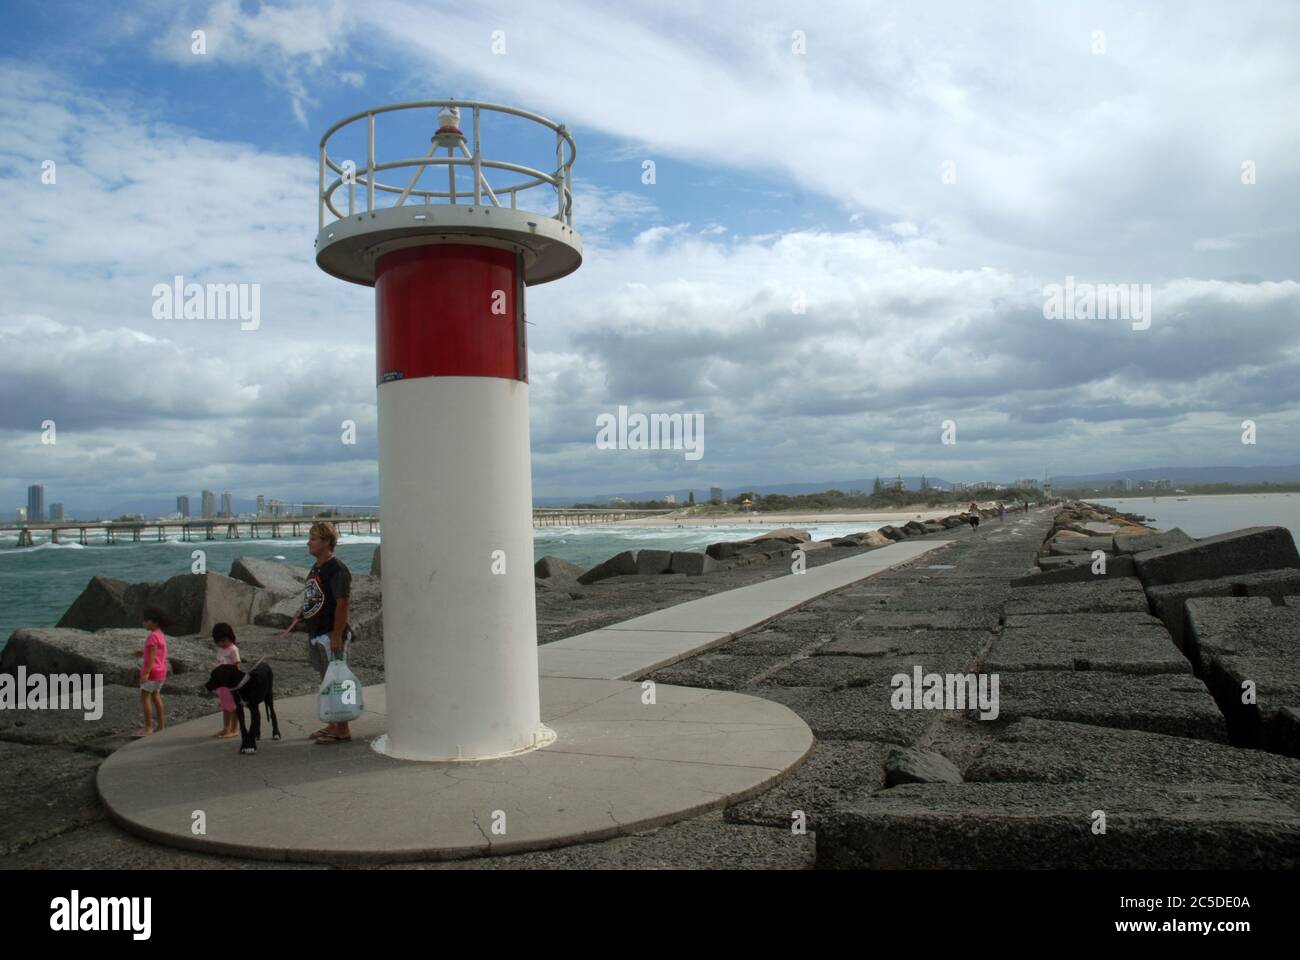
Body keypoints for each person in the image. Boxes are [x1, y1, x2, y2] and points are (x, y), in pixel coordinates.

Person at [294, 521, 353, 744]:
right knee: (325, 680)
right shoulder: (317, 567)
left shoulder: (337, 569)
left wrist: (337, 635)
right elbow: (316, 595)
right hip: (316, 632)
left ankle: (343, 729)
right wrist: (303, 612)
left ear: (327, 541)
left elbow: (342, 603)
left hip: (330, 633)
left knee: (336, 680)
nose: (308, 542)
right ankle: (332, 723)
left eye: (313, 538)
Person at [138, 607, 169, 736]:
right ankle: (161, 726)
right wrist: (142, 653)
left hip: (152, 673)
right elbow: (156, 653)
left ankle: (148, 727)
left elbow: (151, 658)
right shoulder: (160, 634)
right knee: (156, 696)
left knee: (145, 698)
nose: (143, 623)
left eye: (146, 620)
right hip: (161, 672)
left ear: (154, 622)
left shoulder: (152, 637)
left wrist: (145, 673)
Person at [211, 622, 241, 738]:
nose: (221, 644)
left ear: (230, 637)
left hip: (231, 682)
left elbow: (237, 665)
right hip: (221, 682)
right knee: (225, 706)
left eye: (224, 641)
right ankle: (226, 728)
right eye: (218, 642)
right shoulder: (221, 649)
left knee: (232, 707)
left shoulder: (233, 649)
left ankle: (234, 729)